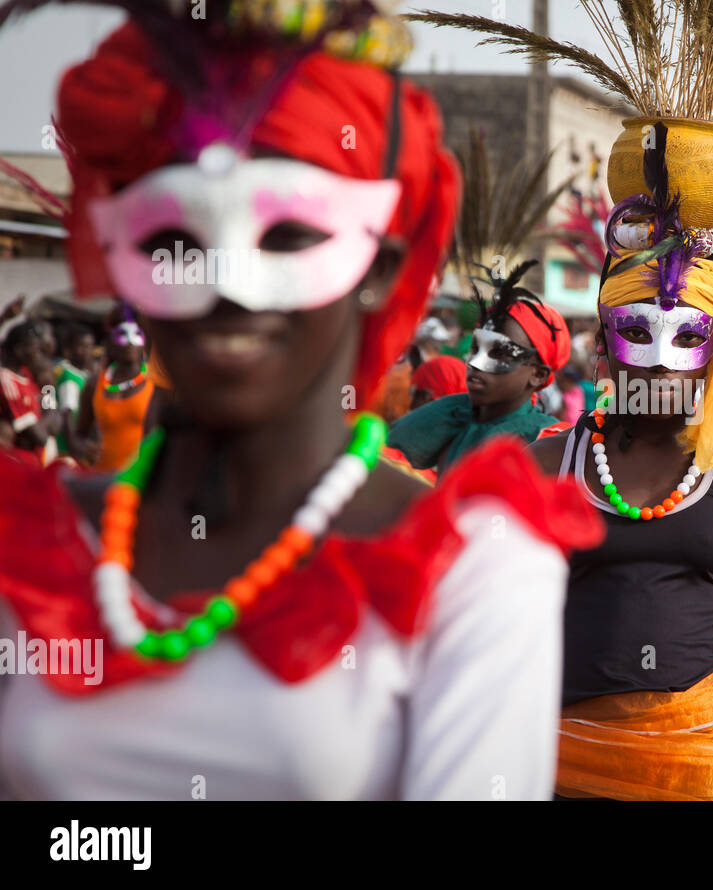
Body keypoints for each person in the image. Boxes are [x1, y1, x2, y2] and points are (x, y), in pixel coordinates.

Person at [0, 4, 601, 800]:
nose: (227, 287)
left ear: (381, 268)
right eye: (173, 242)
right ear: (116, 249)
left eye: (286, 236)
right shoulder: (32, 548)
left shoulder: (472, 571)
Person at [530, 123, 713, 800]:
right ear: (604, 344)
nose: (663, 362)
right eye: (638, 332)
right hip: (563, 762)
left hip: (695, 768)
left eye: (688, 337)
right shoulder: (550, 463)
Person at [389, 261, 568, 473]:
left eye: (500, 353)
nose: (475, 364)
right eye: (475, 348)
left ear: (537, 375)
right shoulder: (453, 415)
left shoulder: (548, 440)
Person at [73, 312, 154, 472]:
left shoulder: (156, 382)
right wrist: (85, 448)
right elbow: (79, 434)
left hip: (143, 477)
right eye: (122, 335)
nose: (130, 342)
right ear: (110, 343)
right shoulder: (94, 383)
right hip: (103, 475)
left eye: (136, 334)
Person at [0, 321, 54, 466]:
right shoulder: (6, 381)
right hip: (18, 463)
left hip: (35, 462)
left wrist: (49, 389)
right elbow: (39, 437)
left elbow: (53, 415)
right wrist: (48, 424)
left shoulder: (26, 375)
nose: (38, 354)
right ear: (19, 350)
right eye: (34, 348)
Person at [54, 321, 96, 457]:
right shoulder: (68, 376)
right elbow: (67, 415)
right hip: (67, 450)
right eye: (82, 346)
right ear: (68, 350)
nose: (88, 351)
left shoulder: (82, 375)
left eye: (90, 346)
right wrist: (74, 447)